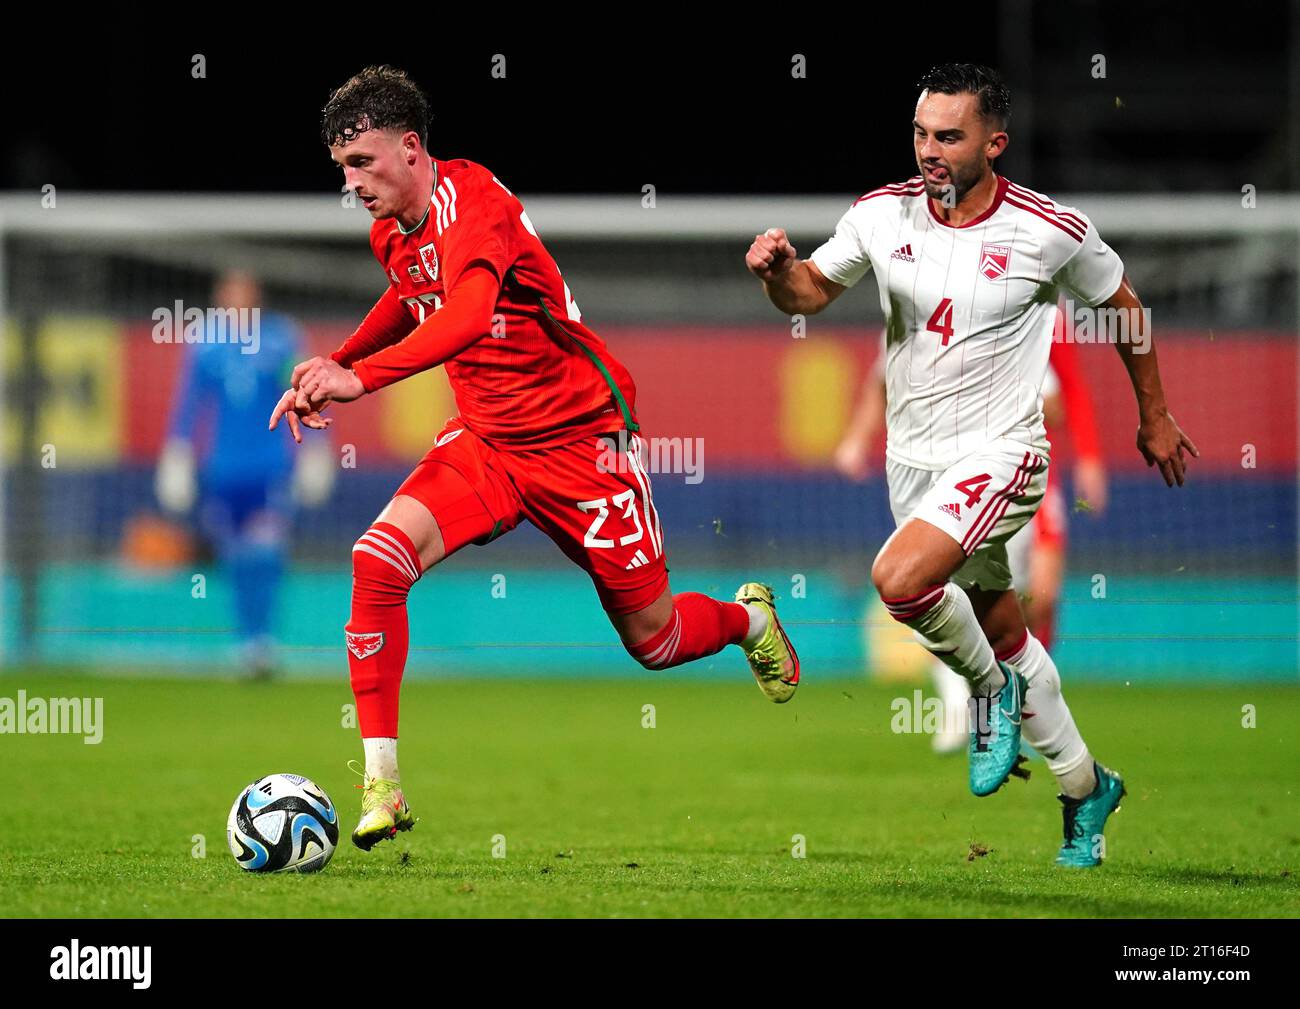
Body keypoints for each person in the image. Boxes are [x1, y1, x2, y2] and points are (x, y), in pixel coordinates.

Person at [268, 66, 800, 852]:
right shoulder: (392, 230)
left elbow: (471, 313)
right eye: (341, 169)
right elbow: (408, 293)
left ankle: (749, 618)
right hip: (487, 444)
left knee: (654, 640)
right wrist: (334, 361)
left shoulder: (474, 199)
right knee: (377, 559)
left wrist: (360, 377)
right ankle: (382, 784)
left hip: (586, 445)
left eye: (362, 163)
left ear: (412, 149)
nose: (351, 183)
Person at [746, 64, 1197, 866]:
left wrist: (1154, 413)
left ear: (995, 142)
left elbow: (1125, 306)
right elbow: (812, 294)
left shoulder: (1045, 228)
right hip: (913, 463)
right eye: (920, 133)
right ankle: (1086, 785)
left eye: (948, 137)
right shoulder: (881, 215)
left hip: (1004, 455)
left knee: (900, 580)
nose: (929, 151)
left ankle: (989, 692)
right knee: (1006, 629)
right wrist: (780, 273)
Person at [835, 326, 1108, 755]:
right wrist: (857, 438)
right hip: (937, 486)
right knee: (936, 591)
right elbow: (880, 381)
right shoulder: (906, 312)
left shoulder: (1004, 316)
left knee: (1033, 599)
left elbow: (1056, 399)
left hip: (1005, 480)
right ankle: (963, 707)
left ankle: (1026, 710)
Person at [157, 269, 333, 678]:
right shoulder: (206, 343)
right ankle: (245, 642)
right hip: (224, 468)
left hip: (270, 466)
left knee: (267, 552)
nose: (236, 300)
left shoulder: (281, 337)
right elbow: (189, 402)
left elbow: (309, 394)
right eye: (229, 294)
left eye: (244, 293)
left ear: (256, 297)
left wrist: (318, 450)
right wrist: (178, 454)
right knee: (235, 555)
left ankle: (264, 640)